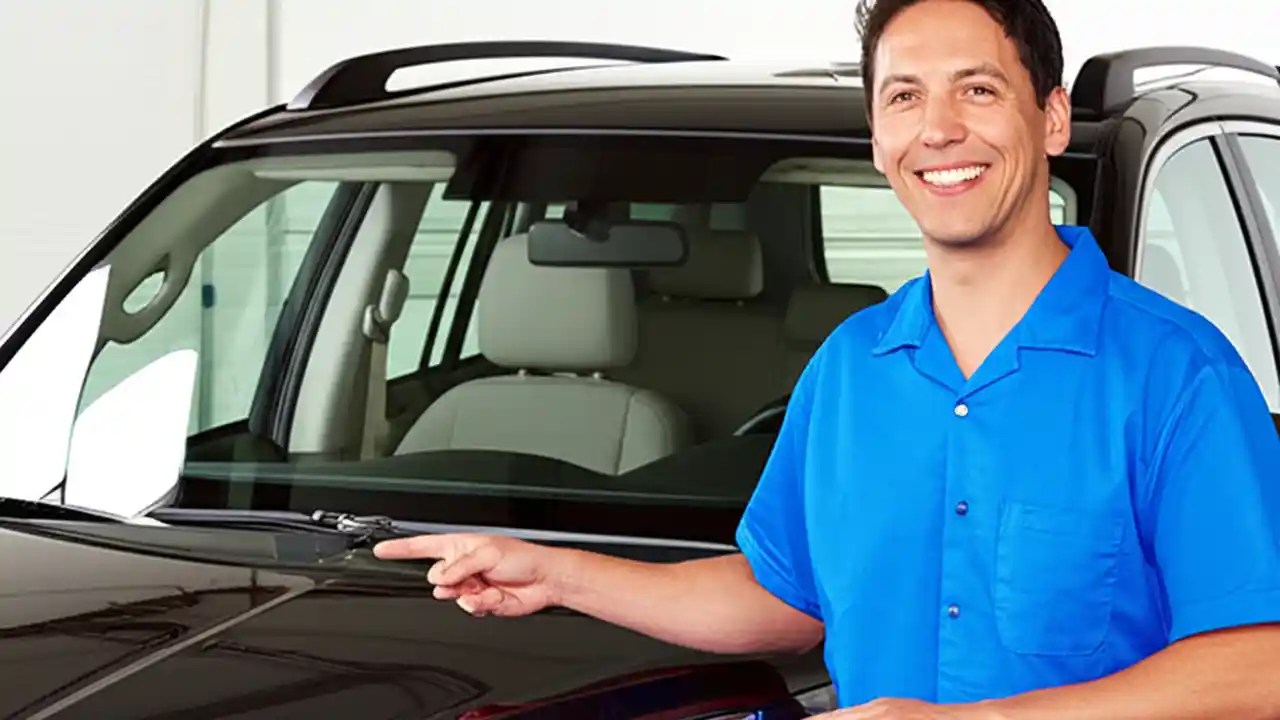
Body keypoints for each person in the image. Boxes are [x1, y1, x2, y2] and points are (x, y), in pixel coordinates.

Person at [374, 0, 1280, 715]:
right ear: (880, 138)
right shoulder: (851, 369)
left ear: (1049, 119)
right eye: (904, 96)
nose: (938, 129)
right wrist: (559, 571)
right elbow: (786, 596)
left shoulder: (1177, 375)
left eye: (977, 89)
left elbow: (1261, 667)